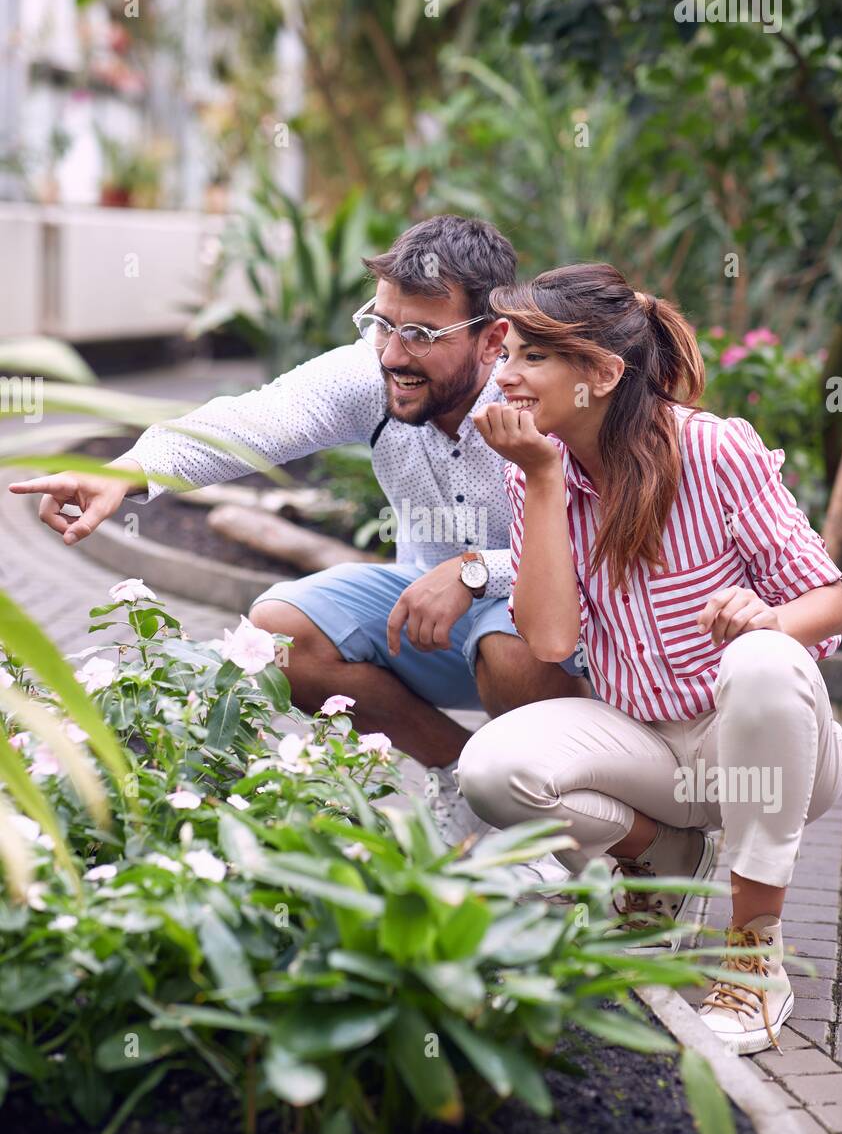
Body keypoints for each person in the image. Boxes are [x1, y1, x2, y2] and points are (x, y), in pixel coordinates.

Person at [10, 215, 589, 879]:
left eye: (423, 334)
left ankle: (545, 833)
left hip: (551, 643)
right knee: (278, 633)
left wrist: (478, 571)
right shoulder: (376, 376)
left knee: (507, 639)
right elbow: (255, 419)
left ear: (492, 340)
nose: (395, 354)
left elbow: (595, 557)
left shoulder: (538, 399)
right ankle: (465, 782)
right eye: (385, 323)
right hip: (427, 624)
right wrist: (125, 475)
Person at [454, 262, 842, 1054]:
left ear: (601, 373)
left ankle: (752, 951)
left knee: (764, 660)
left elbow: (832, 603)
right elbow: (552, 643)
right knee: (491, 771)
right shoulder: (537, 469)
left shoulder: (711, 451)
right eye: (507, 355)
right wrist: (539, 480)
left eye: (532, 356)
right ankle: (661, 853)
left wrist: (767, 617)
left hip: (762, 742)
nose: (505, 376)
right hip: (648, 746)